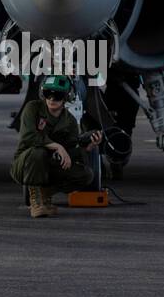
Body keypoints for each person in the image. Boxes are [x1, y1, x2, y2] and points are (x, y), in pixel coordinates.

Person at [10, 75, 102, 218]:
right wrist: (57, 146)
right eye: (48, 94)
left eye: (57, 95)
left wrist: (88, 147)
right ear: (43, 94)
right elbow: (29, 136)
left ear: (66, 97)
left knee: (86, 175)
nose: (52, 99)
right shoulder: (32, 108)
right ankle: (36, 203)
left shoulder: (69, 120)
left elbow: (71, 150)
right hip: (25, 164)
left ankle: (45, 193)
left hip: (50, 166)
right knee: (38, 153)